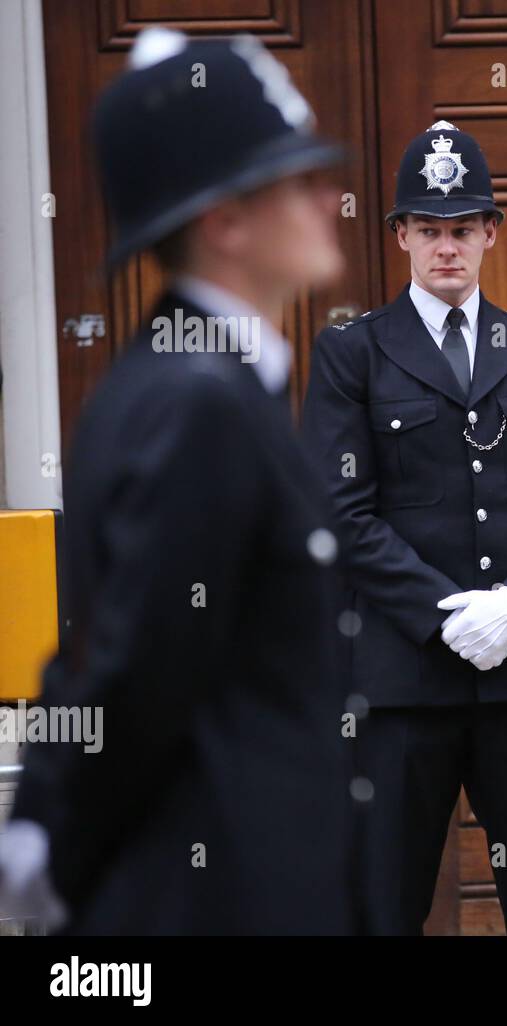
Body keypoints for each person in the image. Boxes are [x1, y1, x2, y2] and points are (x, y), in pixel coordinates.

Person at [0, 27, 355, 934]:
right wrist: (55, 846)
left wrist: (45, 827)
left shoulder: (184, 381)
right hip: (213, 900)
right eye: (296, 178)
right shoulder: (200, 404)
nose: (329, 197)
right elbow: (133, 674)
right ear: (224, 220)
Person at [301, 122, 507, 935]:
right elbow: (340, 512)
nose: (446, 248)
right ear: (400, 235)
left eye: (462, 229)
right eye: (429, 230)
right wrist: (447, 614)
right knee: (387, 899)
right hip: (403, 678)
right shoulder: (352, 354)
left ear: (490, 234)